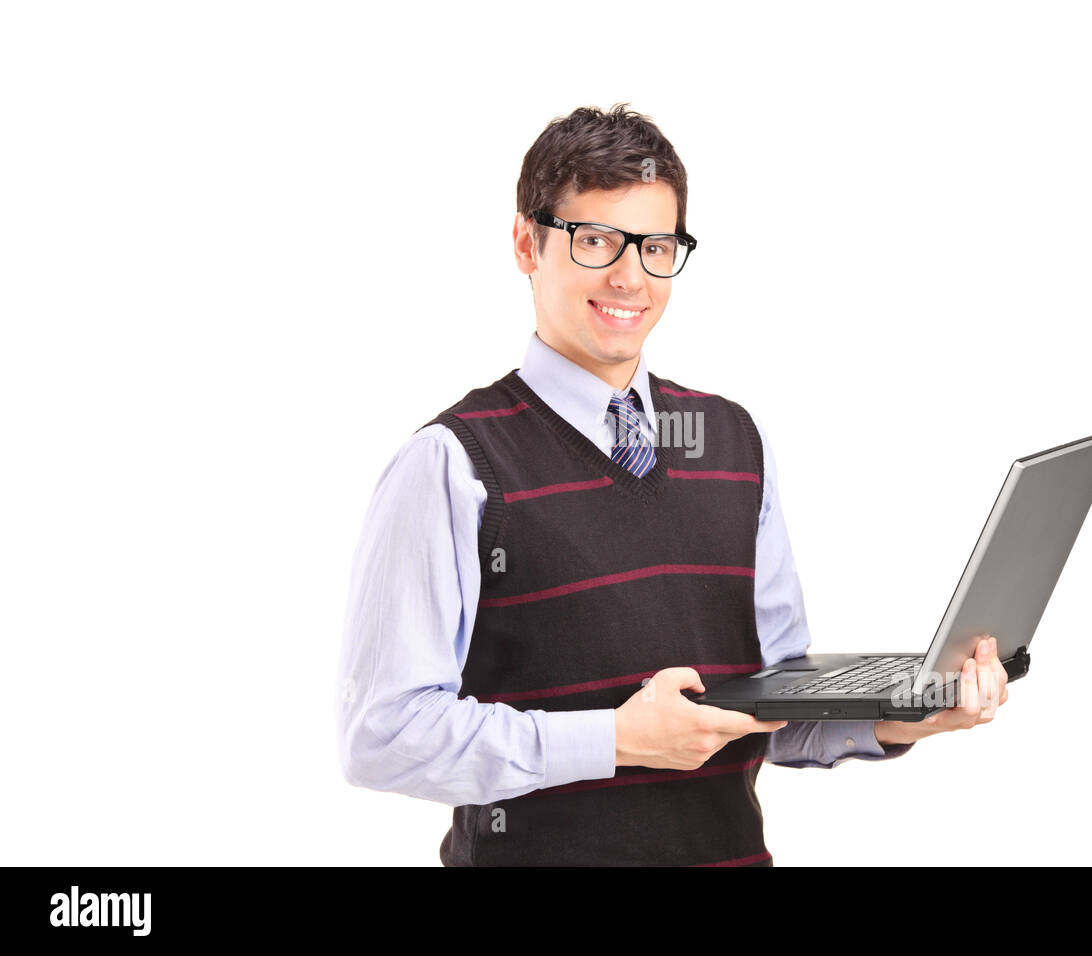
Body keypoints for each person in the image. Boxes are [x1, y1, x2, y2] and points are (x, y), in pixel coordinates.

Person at [336, 103, 1010, 866]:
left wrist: (905, 715)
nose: (631, 277)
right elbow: (383, 737)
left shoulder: (731, 442)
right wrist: (616, 739)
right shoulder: (453, 464)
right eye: (595, 240)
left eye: (656, 246)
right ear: (528, 243)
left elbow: (771, 705)